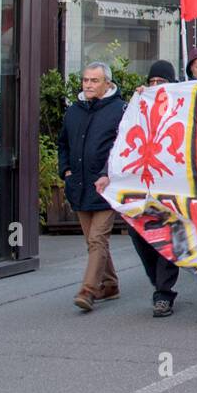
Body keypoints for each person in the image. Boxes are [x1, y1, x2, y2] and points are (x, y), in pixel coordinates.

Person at [59, 61, 127, 312]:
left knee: (98, 238)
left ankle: (87, 290)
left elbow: (123, 148)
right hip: (78, 184)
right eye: (86, 80)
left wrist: (107, 173)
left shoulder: (120, 110)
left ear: (107, 84)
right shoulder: (74, 110)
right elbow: (63, 143)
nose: (88, 85)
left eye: (94, 81)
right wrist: (65, 170)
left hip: (106, 186)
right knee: (93, 241)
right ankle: (110, 285)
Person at [127, 60, 183, 317]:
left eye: (162, 83)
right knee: (140, 234)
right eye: (152, 83)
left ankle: (164, 293)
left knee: (168, 236)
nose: (156, 87)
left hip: (172, 186)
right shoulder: (141, 105)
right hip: (143, 184)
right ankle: (156, 280)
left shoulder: (182, 105)